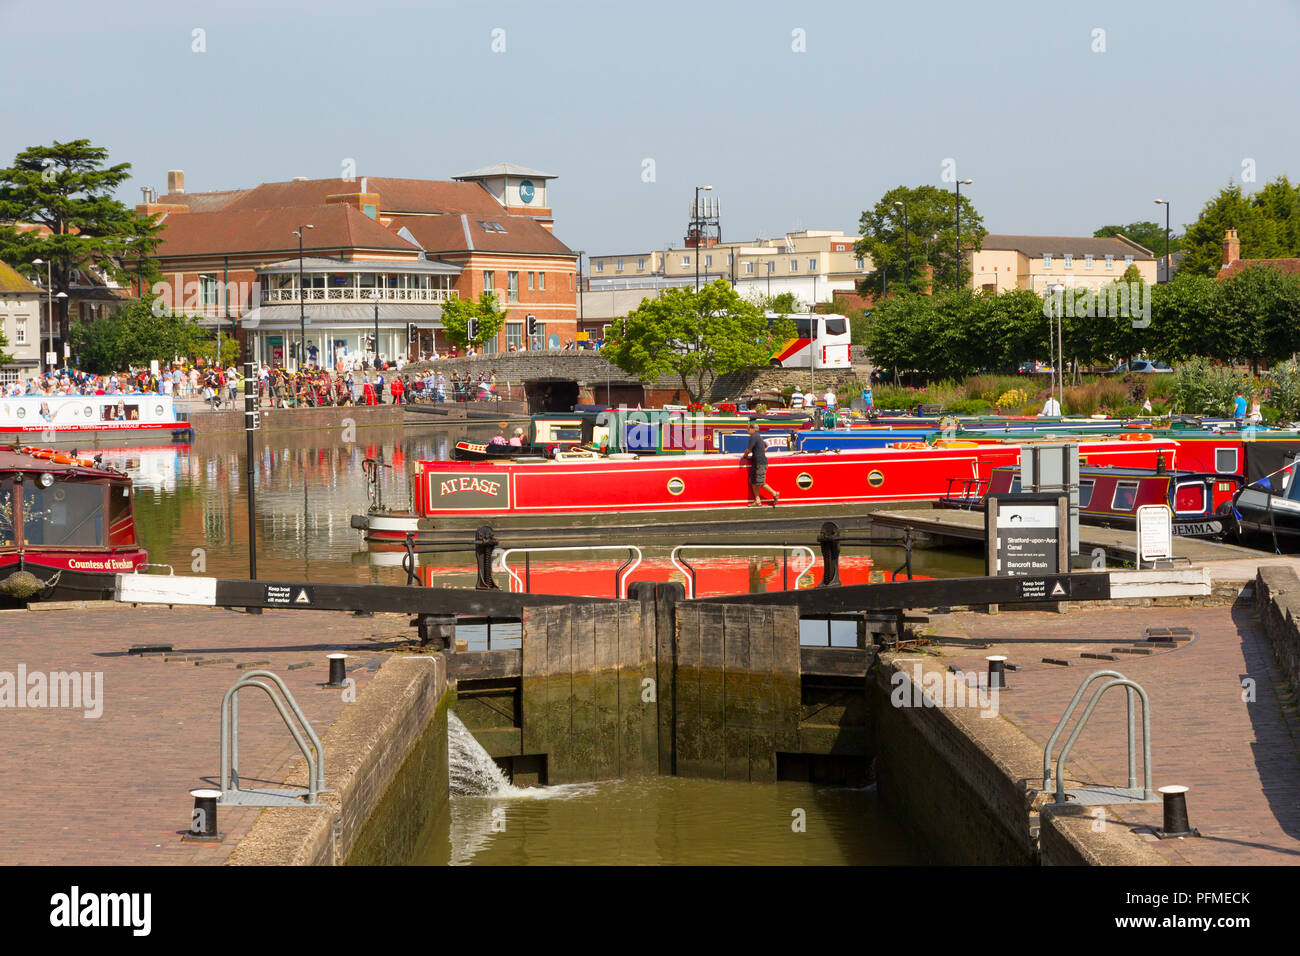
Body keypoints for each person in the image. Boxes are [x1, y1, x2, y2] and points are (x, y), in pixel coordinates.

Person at [740, 421, 779, 507]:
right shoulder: (758, 436)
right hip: (757, 461)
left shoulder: (753, 437)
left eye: (748, 429)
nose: (747, 431)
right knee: (753, 482)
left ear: (752, 429)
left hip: (760, 462)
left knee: (760, 482)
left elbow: (748, 450)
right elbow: (766, 446)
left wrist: (744, 456)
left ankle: (775, 493)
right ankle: (757, 501)